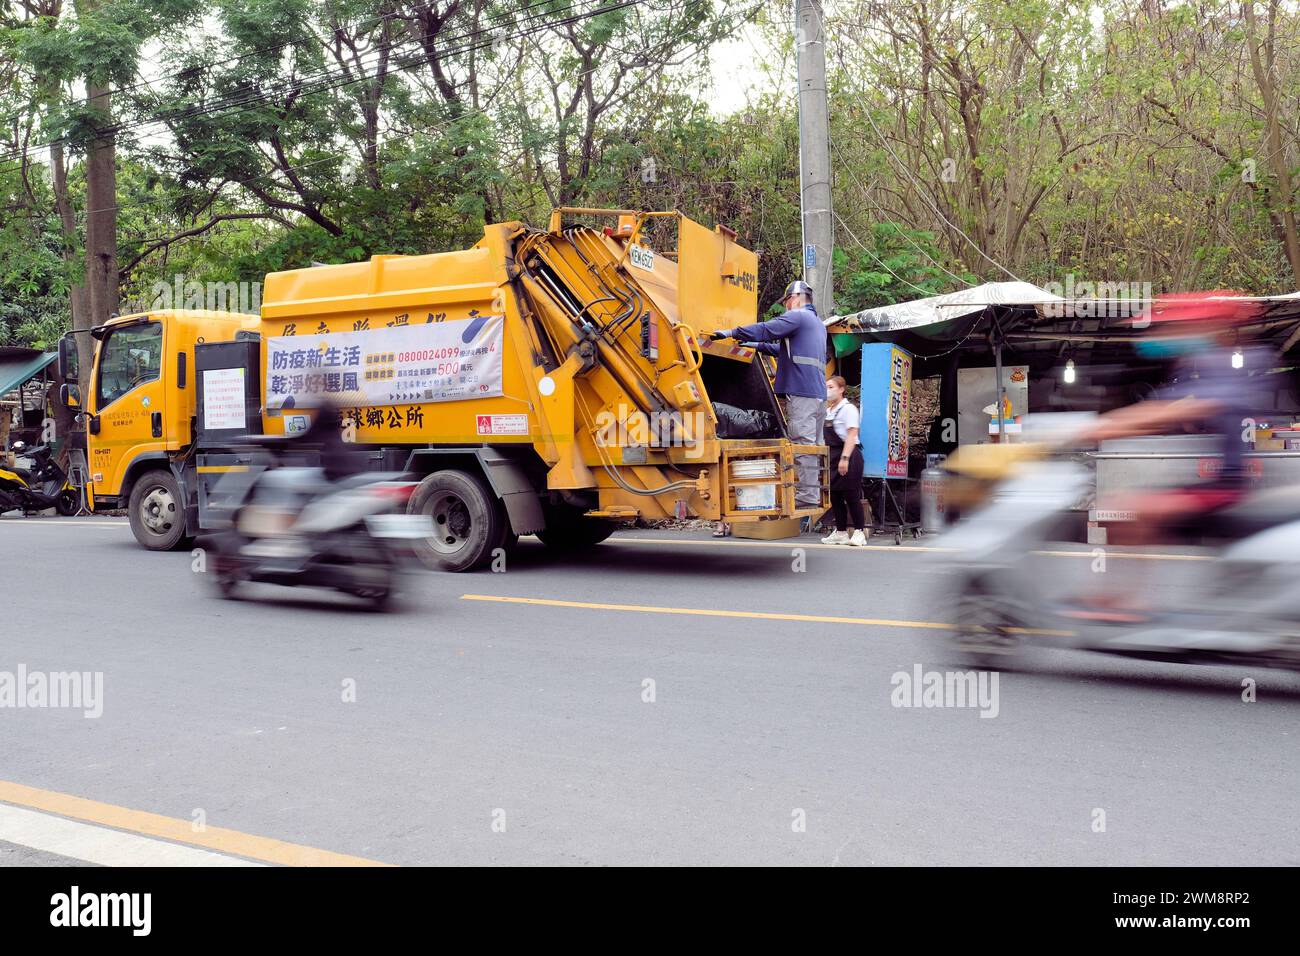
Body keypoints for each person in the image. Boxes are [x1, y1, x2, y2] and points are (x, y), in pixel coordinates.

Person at [710, 280, 828, 508]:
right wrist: (756, 345)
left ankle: (807, 496)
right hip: (816, 394)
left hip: (802, 391)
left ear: (795, 298)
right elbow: (782, 350)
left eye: (786, 302)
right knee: (813, 446)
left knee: (802, 443)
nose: (786, 306)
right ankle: (814, 492)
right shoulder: (816, 324)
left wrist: (731, 332)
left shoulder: (798, 317)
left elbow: (767, 329)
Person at [821, 376, 866, 546]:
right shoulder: (828, 411)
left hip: (849, 455)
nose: (828, 390)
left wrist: (845, 458)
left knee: (851, 495)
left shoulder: (848, 409)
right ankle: (840, 532)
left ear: (841, 389)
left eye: (831, 386)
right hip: (832, 457)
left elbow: (852, 434)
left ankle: (859, 532)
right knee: (836, 496)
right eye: (826, 386)